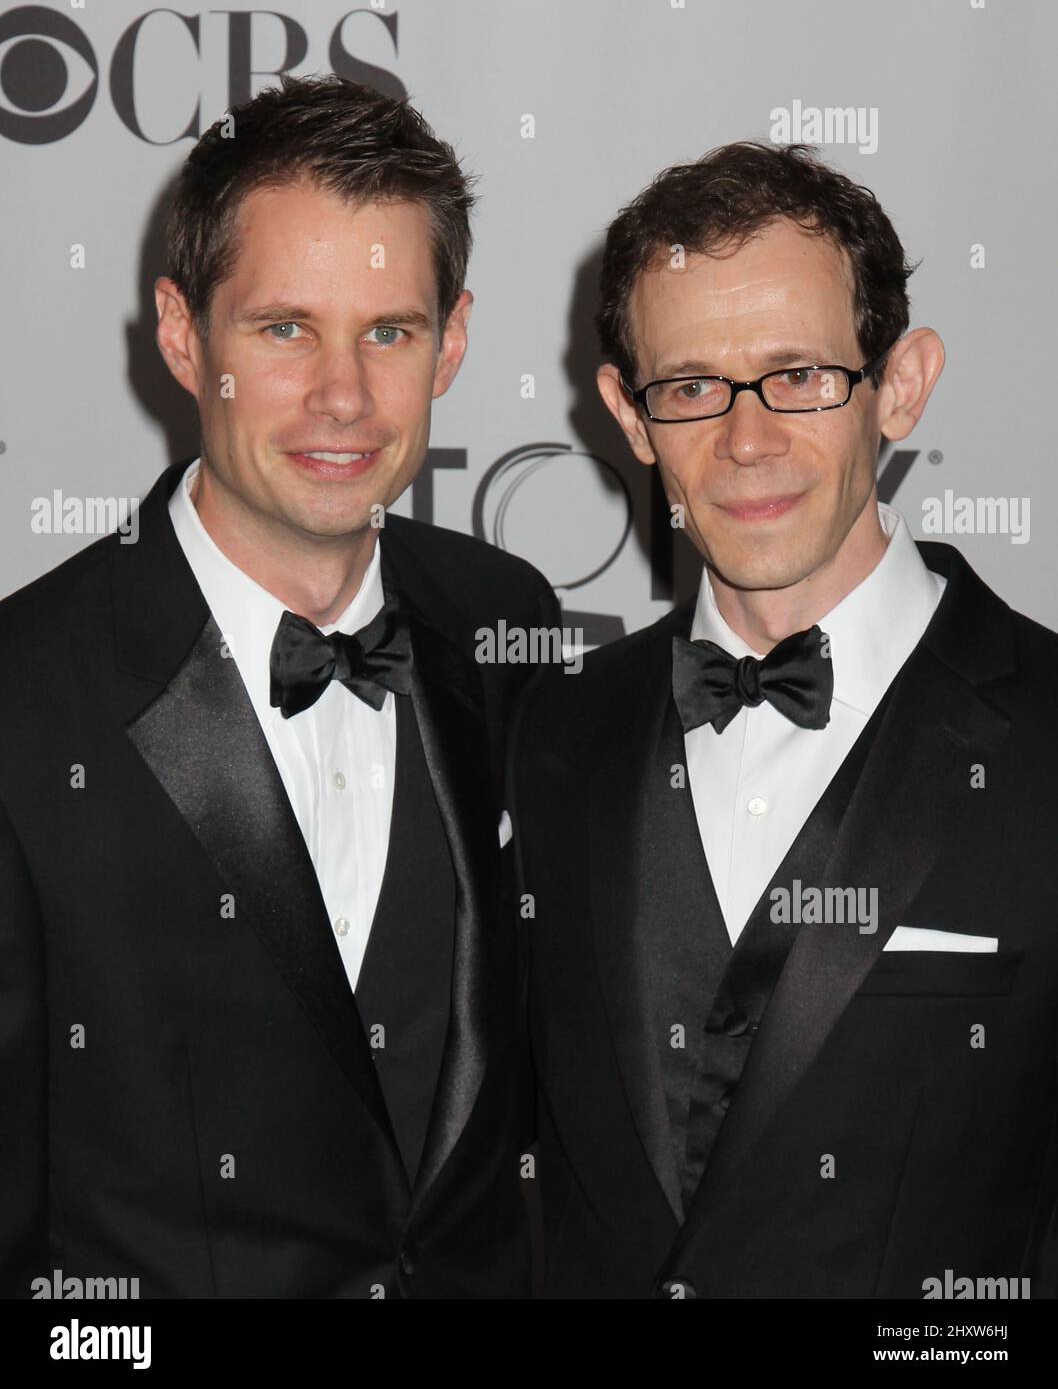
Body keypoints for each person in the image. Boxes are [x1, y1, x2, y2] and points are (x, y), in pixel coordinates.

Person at [0, 74, 557, 1299]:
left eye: (389, 332)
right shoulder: (23, 697)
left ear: (451, 342)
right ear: (185, 332)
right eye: (285, 328)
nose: (343, 398)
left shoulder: (507, 622)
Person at [513, 141, 1058, 1299]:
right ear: (628, 413)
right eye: (691, 386)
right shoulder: (547, 739)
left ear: (898, 384)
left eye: (800, 375)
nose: (745, 439)